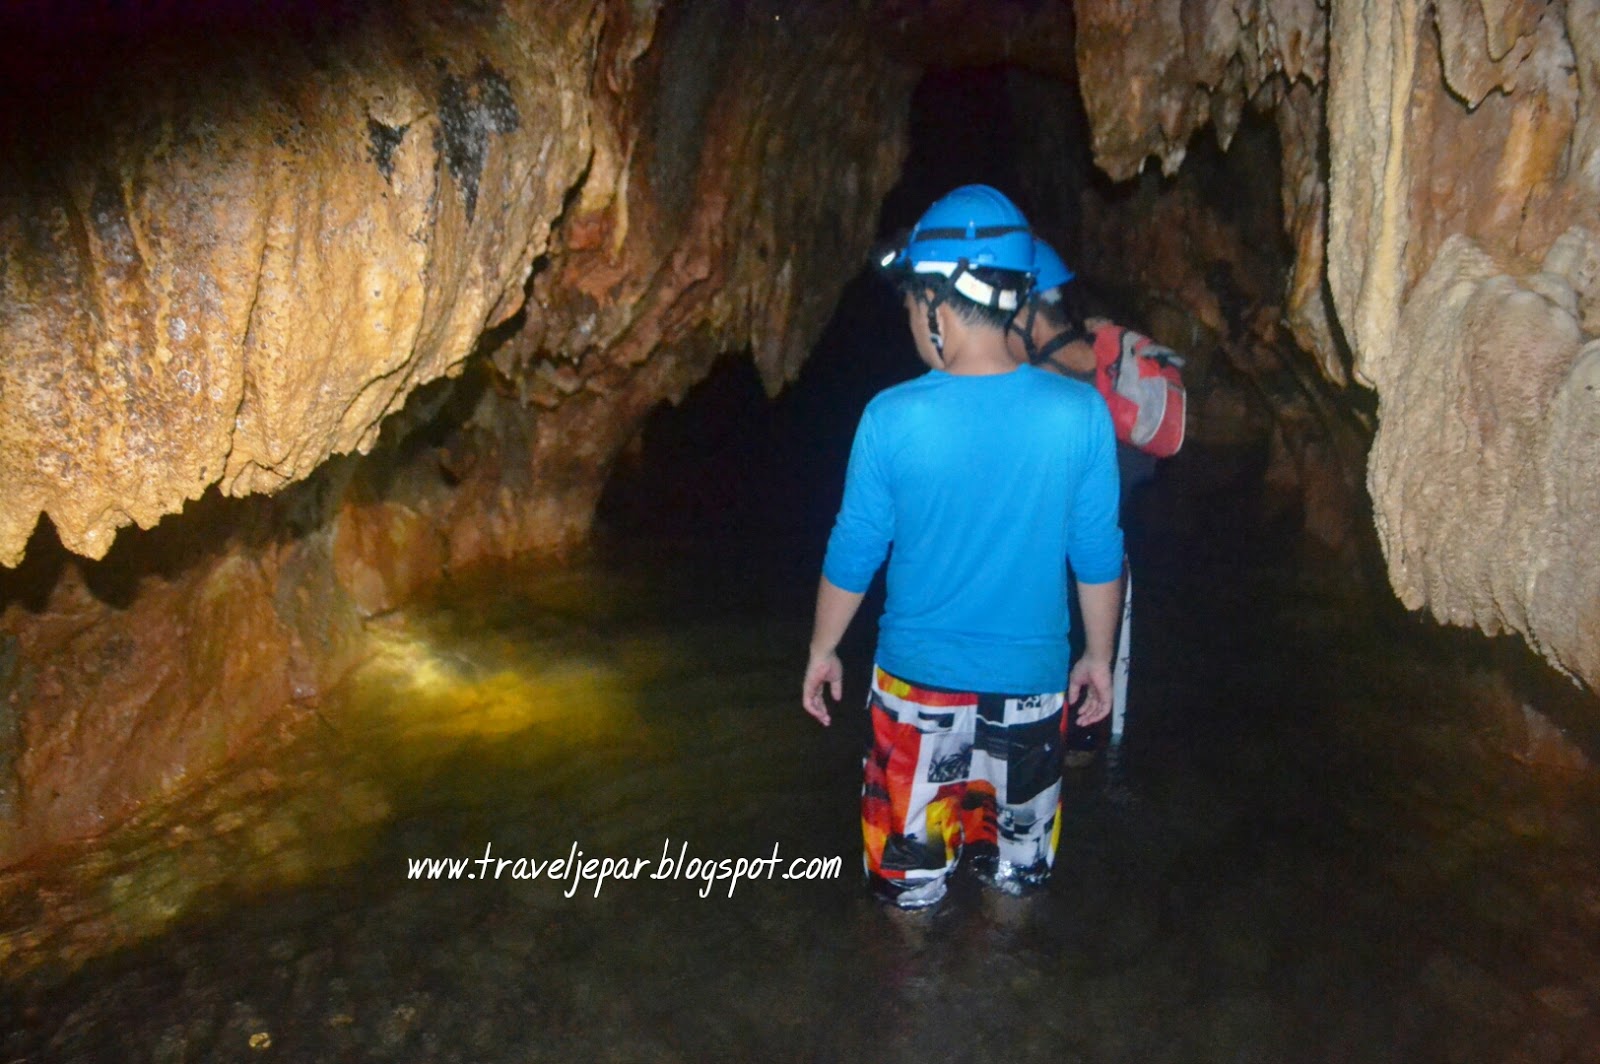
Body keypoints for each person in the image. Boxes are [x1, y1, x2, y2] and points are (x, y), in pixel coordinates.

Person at [800, 185, 1125, 910]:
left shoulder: (891, 417)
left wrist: (824, 650)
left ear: (936, 308)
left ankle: (916, 969)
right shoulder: (1080, 414)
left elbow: (855, 550)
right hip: (1032, 692)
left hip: (917, 691)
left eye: (913, 303)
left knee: (908, 888)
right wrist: (1098, 659)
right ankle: (1003, 973)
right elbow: (1099, 554)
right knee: (1015, 887)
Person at [1011, 237, 1186, 764]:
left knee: (1036, 741)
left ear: (1026, 313)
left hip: (1054, 579)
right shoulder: (1108, 373)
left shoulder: (1034, 389)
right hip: (1110, 575)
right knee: (1092, 723)